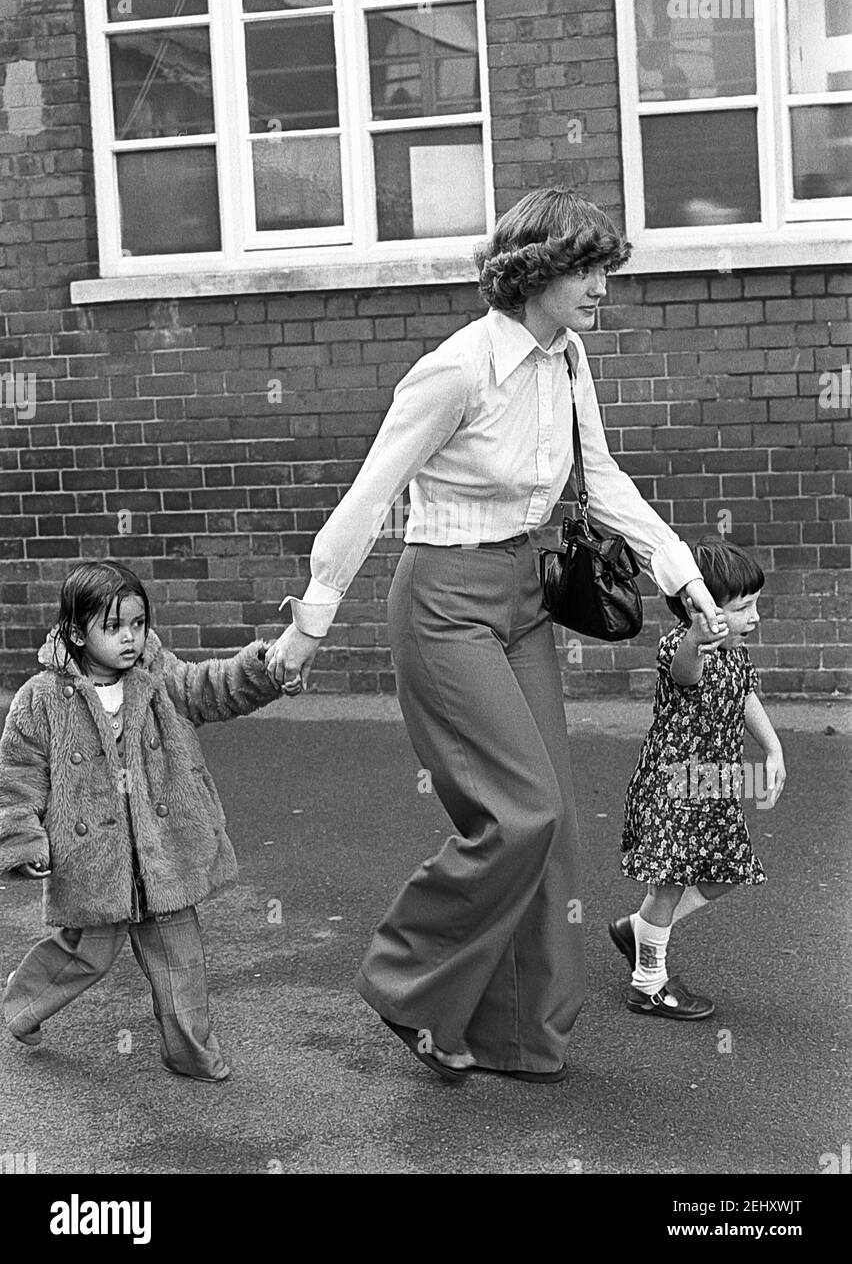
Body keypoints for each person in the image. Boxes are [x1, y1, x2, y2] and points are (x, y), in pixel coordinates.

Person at [265, 186, 727, 1084]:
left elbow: (605, 477)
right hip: (444, 603)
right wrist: (308, 629)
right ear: (534, 271)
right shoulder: (455, 370)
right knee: (521, 812)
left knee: (554, 827)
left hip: (526, 597)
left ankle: (518, 1032)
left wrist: (682, 577)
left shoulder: (567, 358)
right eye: (587, 269)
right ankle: (407, 980)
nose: (602, 286)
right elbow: (367, 498)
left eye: (605, 269)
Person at [0, 560, 280, 1081]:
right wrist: (22, 841)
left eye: (137, 623)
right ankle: (21, 1004)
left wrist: (261, 668)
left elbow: (209, 688)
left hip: (161, 856)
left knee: (182, 963)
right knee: (86, 955)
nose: (129, 638)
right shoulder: (40, 700)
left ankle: (191, 1053)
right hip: (94, 864)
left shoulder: (157, 677)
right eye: (112, 627)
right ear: (75, 633)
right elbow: (16, 778)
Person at [610, 537, 786, 1018]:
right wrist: (696, 633)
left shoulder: (736, 656)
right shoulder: (682, 648)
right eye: (743, 607)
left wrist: (771, 747)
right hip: (675, 786)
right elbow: (688, 673)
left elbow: (745, 697)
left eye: (755, 605)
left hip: (715, 784)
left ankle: (639, 929)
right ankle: (648, 984)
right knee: (667, 885)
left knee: (725, 873)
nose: (754, 618)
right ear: (702, 609)